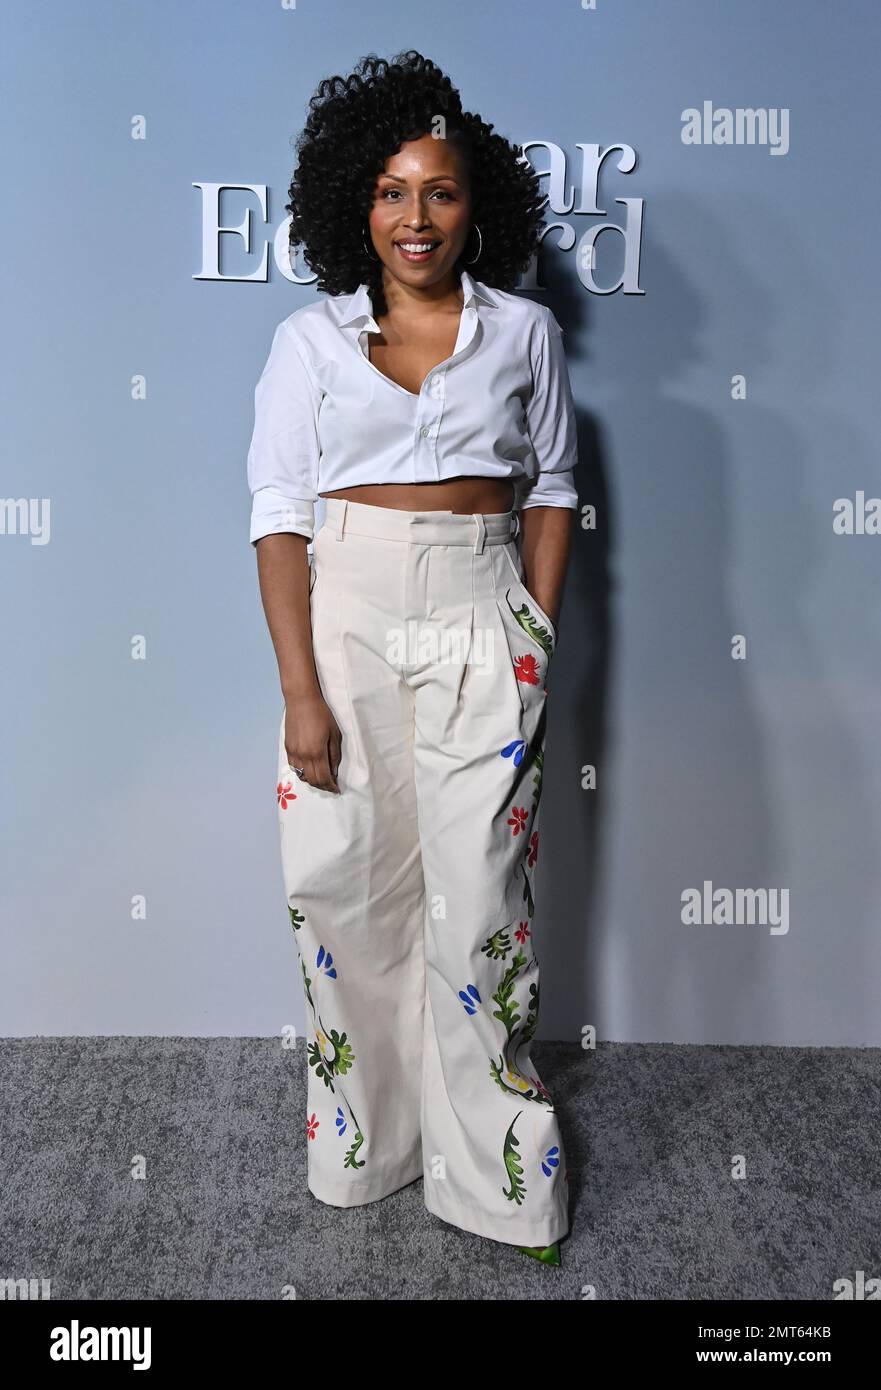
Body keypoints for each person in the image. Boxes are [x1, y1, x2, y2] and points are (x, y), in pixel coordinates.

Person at [247, 50, 578, 1267]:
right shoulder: (307, 342)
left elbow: (550, 488)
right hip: (346, 616)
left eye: (437, 191)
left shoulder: (526, 334)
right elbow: (278, 516)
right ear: (355, 206)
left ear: (474, 203)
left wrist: (532, 636)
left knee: (480, 895)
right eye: (390, 192)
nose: (414, 217)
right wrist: (298, 687)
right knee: (342, 883)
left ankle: (494, 1173)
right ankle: (365, 1144)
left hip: (483, 605)